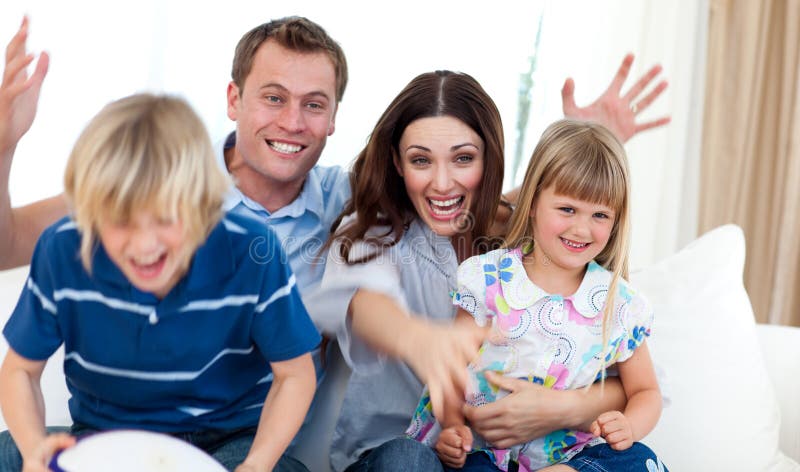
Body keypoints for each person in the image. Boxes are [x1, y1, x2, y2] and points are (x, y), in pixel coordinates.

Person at [0, 15, 670, 469]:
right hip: (117, 421)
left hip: (247, 437)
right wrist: (4, 141)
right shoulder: (159, 180)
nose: (293, 121)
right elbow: (11, 245)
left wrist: (584, 152)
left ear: (334, 119)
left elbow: (476, 203)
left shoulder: (345, 198)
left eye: (313, 104)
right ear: (232, 98)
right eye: (272, 97)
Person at [311, 72, 668, 472]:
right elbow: (367, 306)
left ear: (489, 160)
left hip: (543, 453)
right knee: (407, 459)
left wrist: (560, 409)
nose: (442, 183)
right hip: (411, 451)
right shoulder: (372, 234)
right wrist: (420, 342)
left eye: (463, 158)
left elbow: (641, 388)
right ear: (397, 161)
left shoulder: (537, 241)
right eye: (420, 159)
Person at [0, 93, 319, 472]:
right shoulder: (62, 247)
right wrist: (36, 449)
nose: (145, 245)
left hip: (226, 440)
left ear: (202, 202)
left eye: (166, 219)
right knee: (10, 451)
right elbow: (20, 371)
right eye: (120, 221)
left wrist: (256, 464)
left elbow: (295, 376)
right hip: (104, 435)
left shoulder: (253, 248)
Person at [406, 119, 665, 471]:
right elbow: (451, 367)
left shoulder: (619, 305)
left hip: (569, 456)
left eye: (600, 215)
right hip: (484, 449)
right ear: (532, 202)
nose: (581, 228)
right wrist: (452, 424)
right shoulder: (487, 278)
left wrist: (629, 425)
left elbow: (646, 392)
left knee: (642, 461)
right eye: (567, 209)